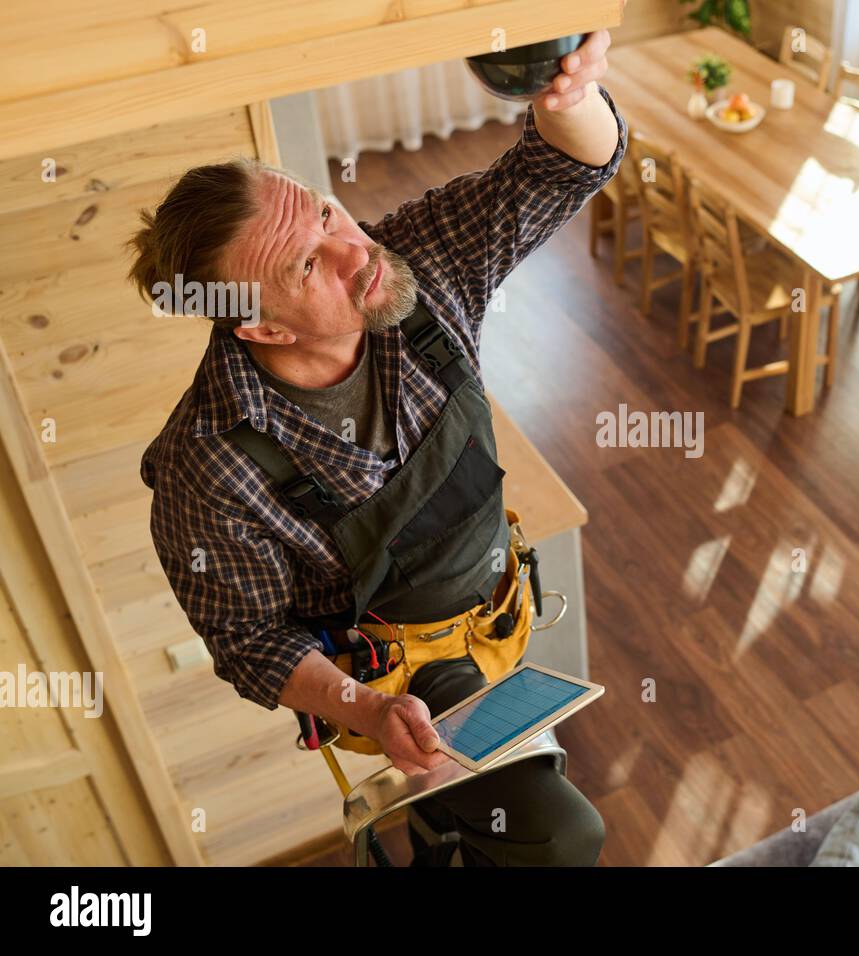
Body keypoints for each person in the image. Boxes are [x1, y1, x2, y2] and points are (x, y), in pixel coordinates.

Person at [128, 30, 627, 866]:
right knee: (561, 835)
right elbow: (251, 643)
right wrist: (366, 710)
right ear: (260, 324)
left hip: (500, 621)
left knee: (479, 818)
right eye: (306, 264)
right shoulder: (208, 466)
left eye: (326, 211)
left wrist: (571, 103)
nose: (355, 251)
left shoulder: (412, 267)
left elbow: (564, 169)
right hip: (389, 682)